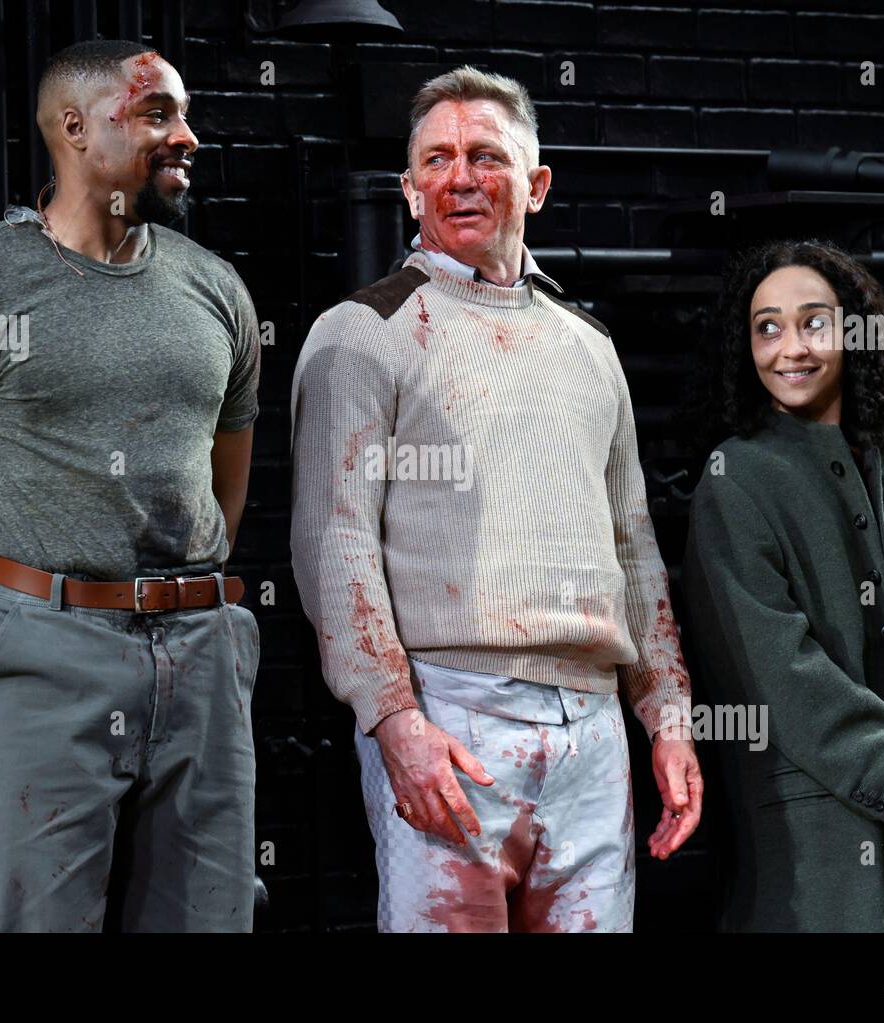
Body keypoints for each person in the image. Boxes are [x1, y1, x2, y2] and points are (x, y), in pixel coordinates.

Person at [0, 40, 261, 932]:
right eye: (158, 114)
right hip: (41, 653)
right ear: (74, 130)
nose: (186, 136)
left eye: (185, 115)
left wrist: (182, 605)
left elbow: (219, 498)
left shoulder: (217, 292)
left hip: (203, 661)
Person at [290, 66, 702, 933]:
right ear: (408, 190)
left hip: (592, 724)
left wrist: (666, 714)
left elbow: (633, 544)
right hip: (449, 714)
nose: (461, 177)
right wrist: (394, 718)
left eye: (487, 156)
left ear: (538, 185)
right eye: (436, 160)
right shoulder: (361, 332)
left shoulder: (590, 345)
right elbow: (336, 543)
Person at [681, 239, 884, 931]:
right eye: (767, 327)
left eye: (813, 322)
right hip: (809, 858)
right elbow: (781, 674)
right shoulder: (735, 482)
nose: (790, 347)